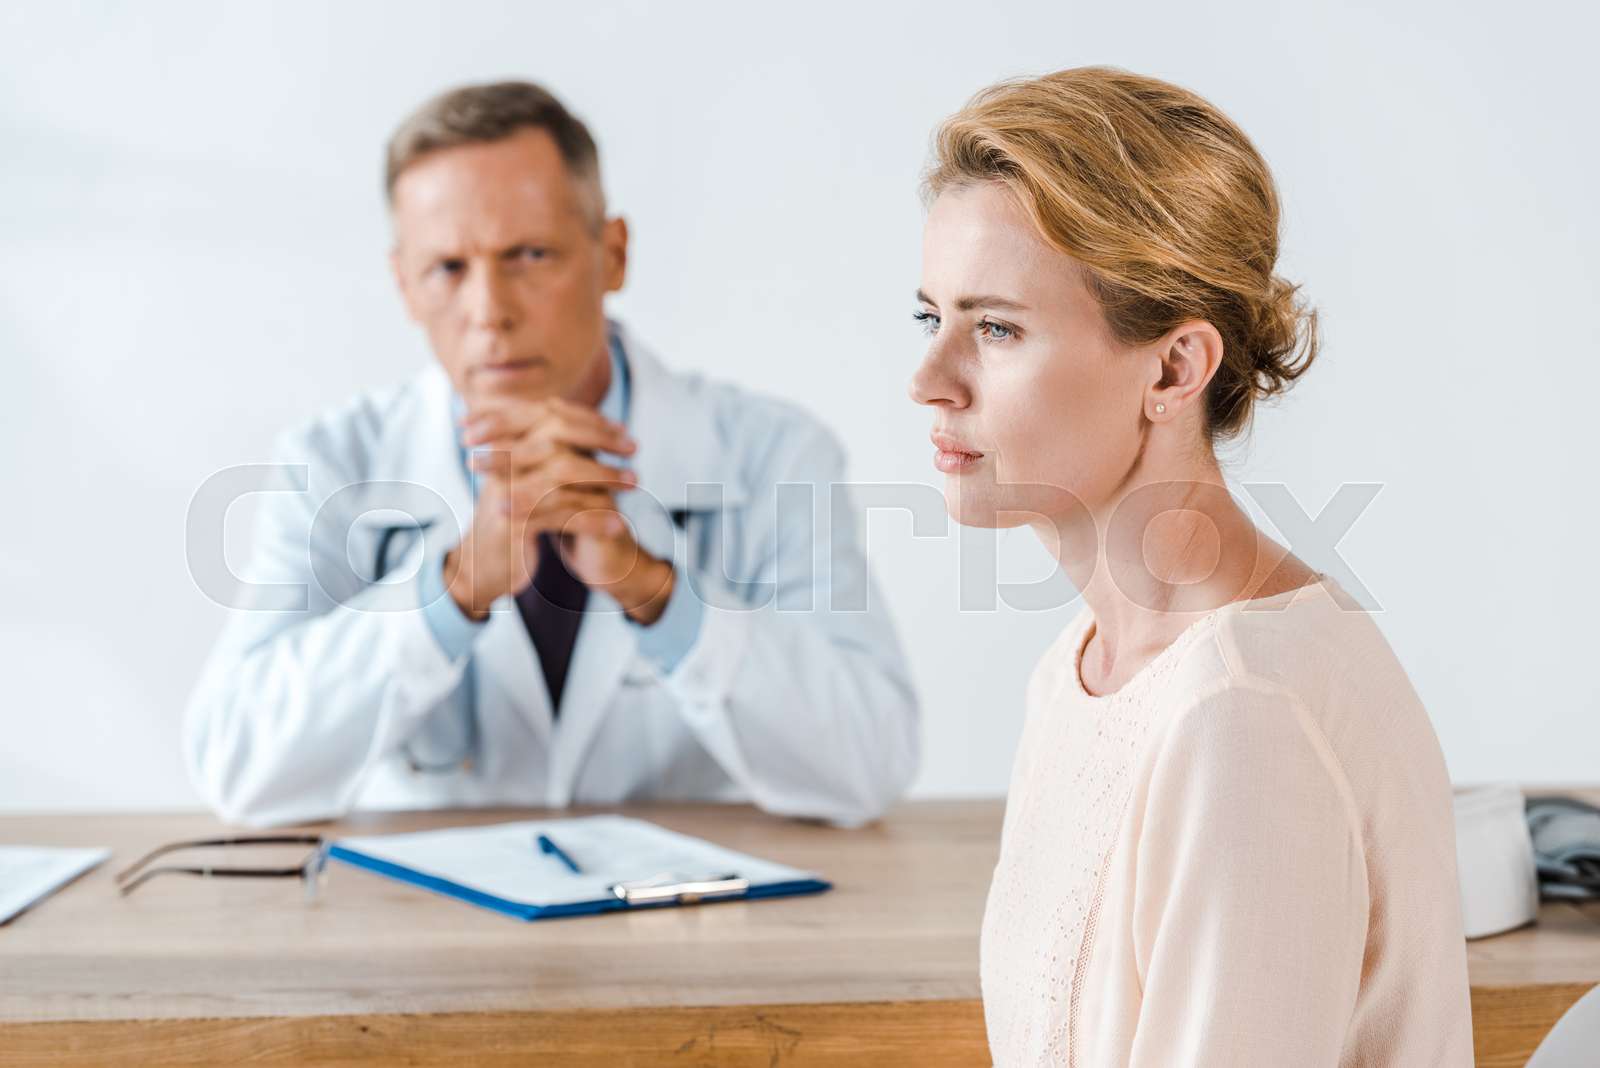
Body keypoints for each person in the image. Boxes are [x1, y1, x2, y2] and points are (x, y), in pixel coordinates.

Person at [909, 68, 1471, 1065]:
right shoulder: (1081, 670)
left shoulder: (1239, 717)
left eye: (995, 327)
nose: (927, 380)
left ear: (1173, 369)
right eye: (930, 317)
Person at [185, 81, 917, 829]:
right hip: (433, 931)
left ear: (613, 254)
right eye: (448, 269)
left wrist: (653, 589)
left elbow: (870, 765)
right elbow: (240, 768)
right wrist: (456, 586)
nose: (489, 312)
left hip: (689, 930)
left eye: (530, 255)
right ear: (404, 285)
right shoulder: (331, 462)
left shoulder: (774, 454)